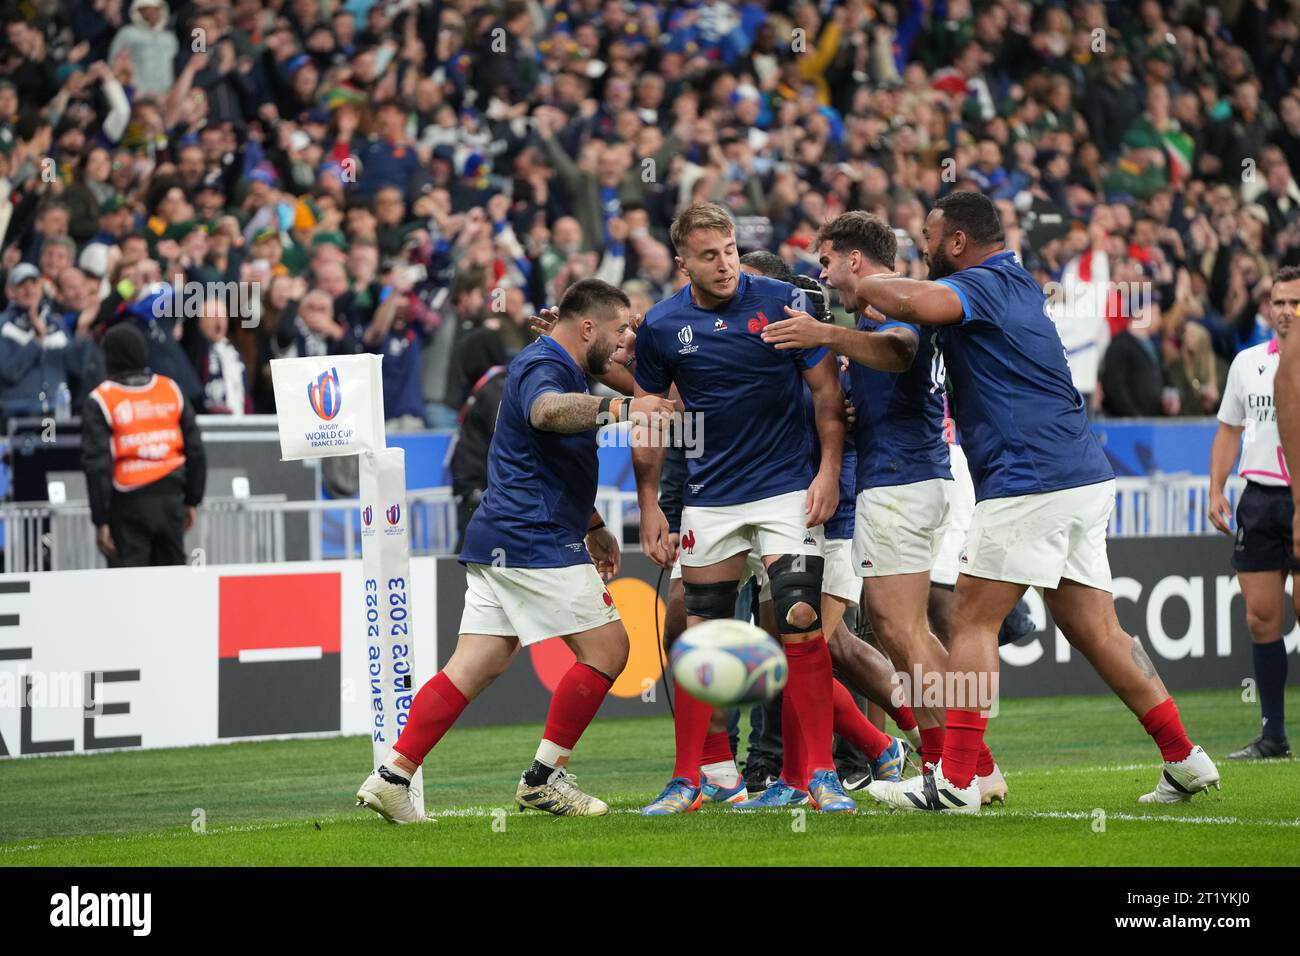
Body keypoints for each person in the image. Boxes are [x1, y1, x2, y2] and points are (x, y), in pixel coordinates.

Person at [848, 191, 1218, 812]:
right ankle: (1184, 757)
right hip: (1079, 473)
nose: (924, 249)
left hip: (1030, 478)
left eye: (930, 239)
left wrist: (862, 283)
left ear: (958, 242)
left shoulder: (985, 282)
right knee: (1098, 629)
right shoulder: (1014, 281)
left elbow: (918, 302)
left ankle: (958, 780)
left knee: (971, 619)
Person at [355, 279, 674, 823]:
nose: (626, 340)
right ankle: (543, 779)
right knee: (609, 649)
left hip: (503, 534)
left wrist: (594, 523)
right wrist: (624, 409)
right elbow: (546, 413)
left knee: (477, 663)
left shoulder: (558, 364)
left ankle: (392, 777)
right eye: (620, 329)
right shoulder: (543, 366)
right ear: (588, 328)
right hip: (532, 536)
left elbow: (546, 459)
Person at [762, 210, 1006, 803]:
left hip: (902, 483)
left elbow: (899, 351)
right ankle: (954, 765)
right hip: (910, 479)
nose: (824, 276)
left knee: (902, 630)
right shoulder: (885, 309)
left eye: (827, 262)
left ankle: (971, 767)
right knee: (902, 634)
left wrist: (825, 336)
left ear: (855, 259)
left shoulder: (898, 303)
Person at [632, 202, 852, 815]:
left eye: (729, 250)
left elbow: (827, 394)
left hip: (786, 489)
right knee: (701, 635)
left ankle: (822, 775)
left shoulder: (785, 301)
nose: (725, 264)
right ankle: (688, 779)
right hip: (710, 497)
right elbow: (649, 417)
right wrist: (650, 505)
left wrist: (828, 472)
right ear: (683, 263)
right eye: (709, 255)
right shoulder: (661, 325)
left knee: (801, 620)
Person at [1208, 266, 1300, 760]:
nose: (1286, 311)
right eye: (1279, 302)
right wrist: (1216, 488)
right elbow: (1229, 428)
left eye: (1295, 303)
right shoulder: (1246, 363)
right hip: (1260, 499)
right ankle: (1273, 736)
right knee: (1262, 618)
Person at [82, 322, 206, 568]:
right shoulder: (170, 389)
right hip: (171, 497)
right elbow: (196, 451)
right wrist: (192, 500)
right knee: (171, 581)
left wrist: (101, 519)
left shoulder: (102, 399)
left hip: (127, 503)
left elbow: (97, 464)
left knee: (129, 585)